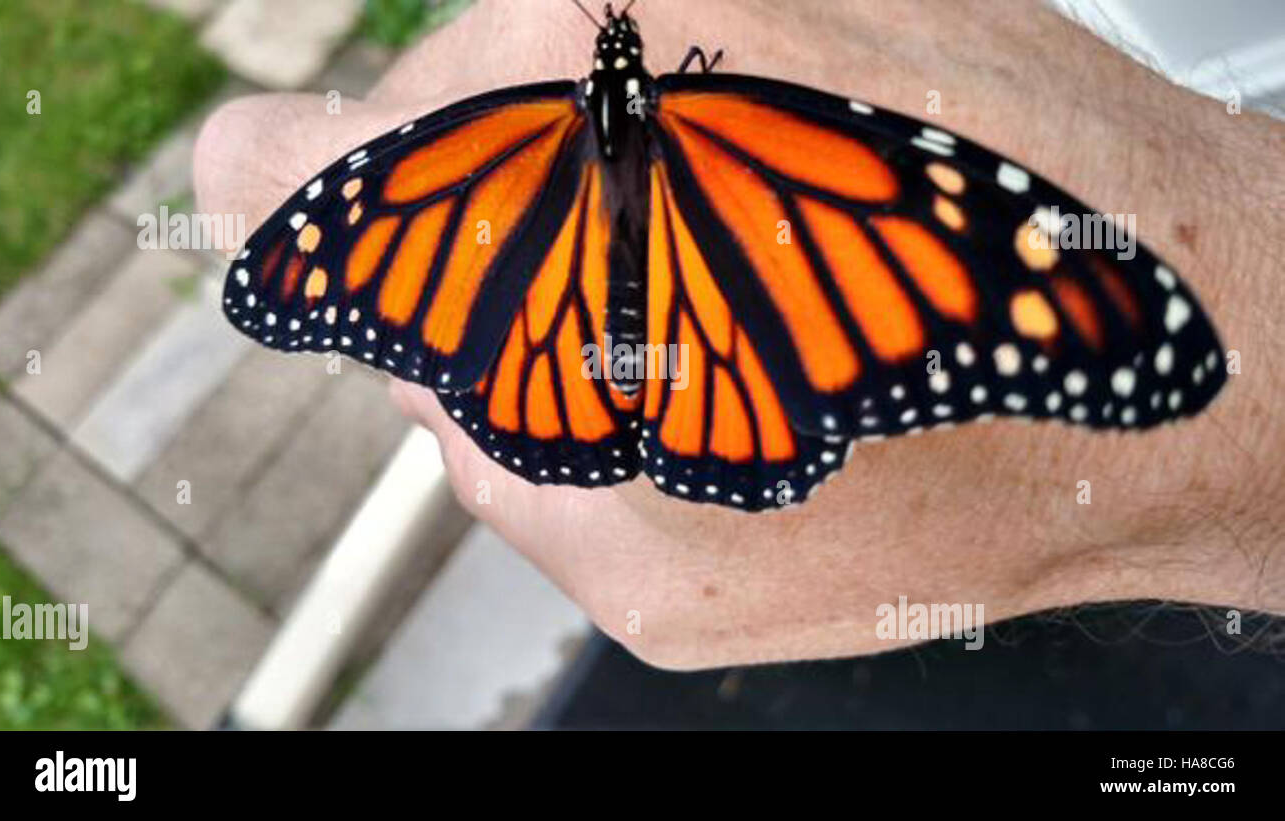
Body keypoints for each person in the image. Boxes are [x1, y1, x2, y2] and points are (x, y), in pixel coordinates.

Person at [195, 0, 1285, 670]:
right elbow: (897, 223)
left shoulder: (494, 144)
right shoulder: (753, 136)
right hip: (722, 364)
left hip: (555, 357)